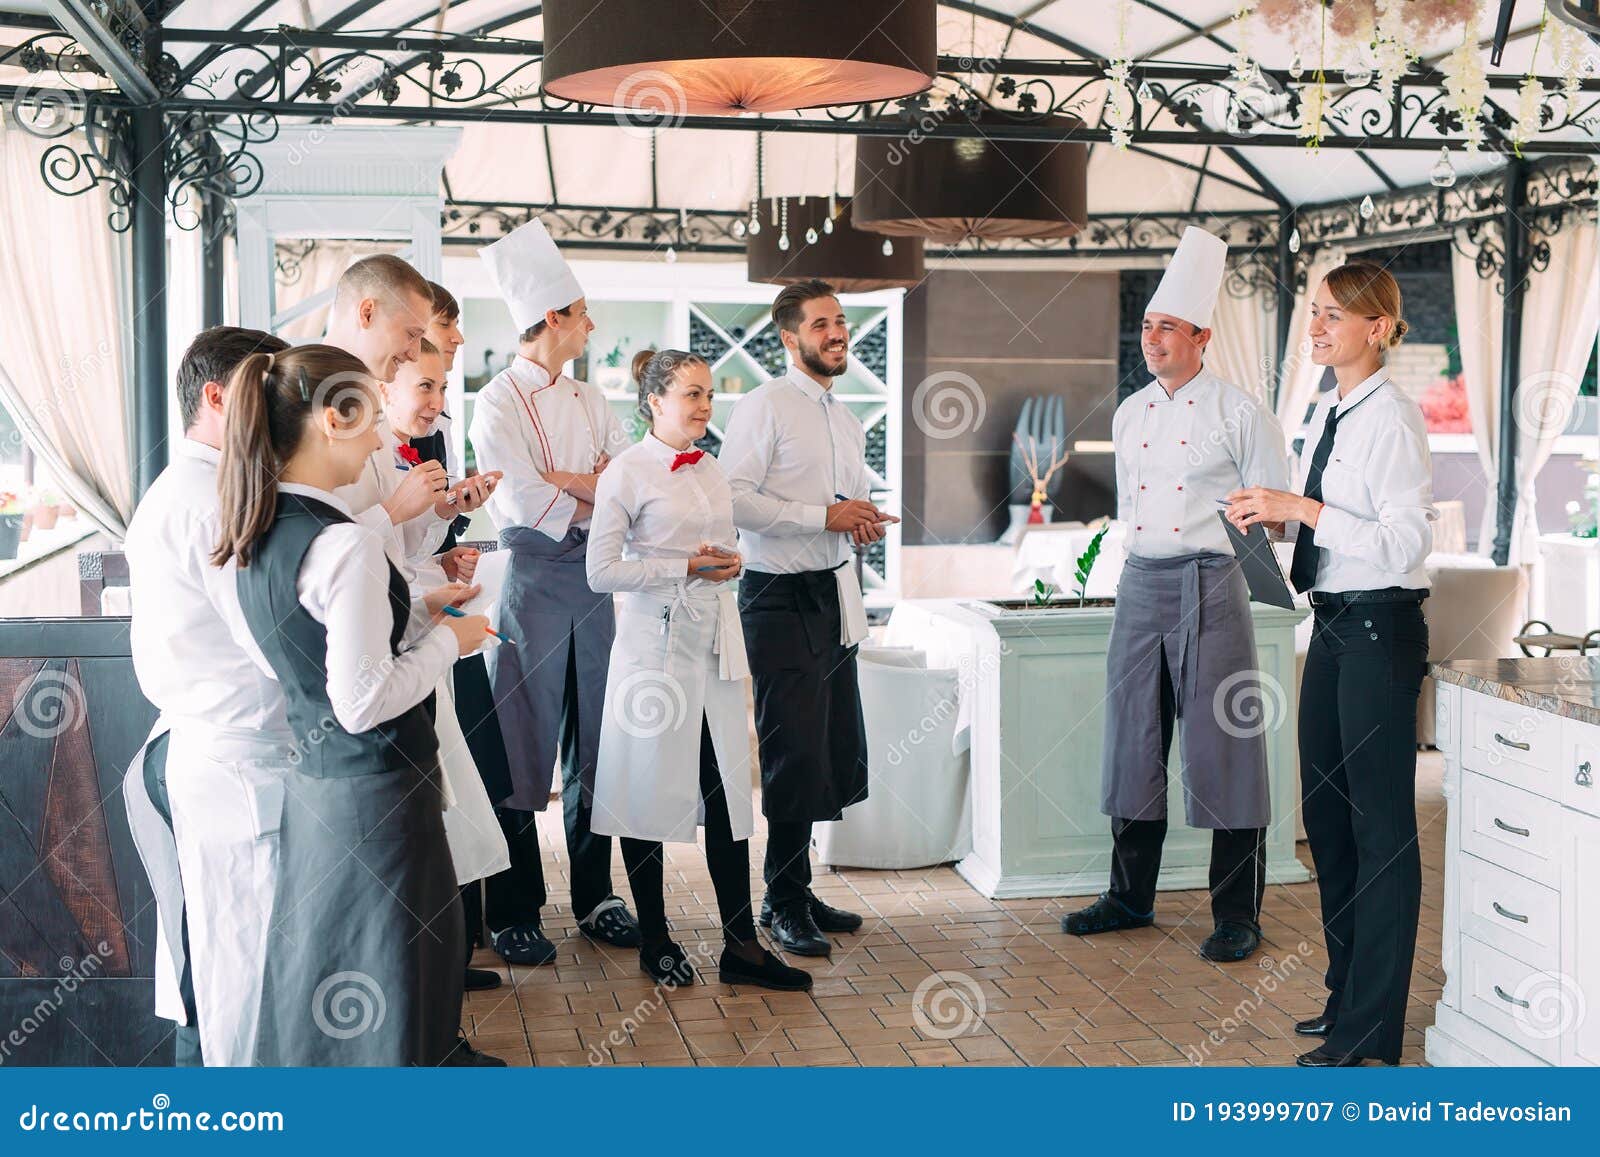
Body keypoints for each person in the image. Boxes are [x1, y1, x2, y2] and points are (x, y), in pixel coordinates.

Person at [214, 342, 494, 1066]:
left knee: (329, 994)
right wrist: (451, 643)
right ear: (331, 420)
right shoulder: (345, 544)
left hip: (316, 794)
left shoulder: (255, 530)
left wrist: (416, 612)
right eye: (370, 417)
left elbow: (296, 655)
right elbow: (363, 700)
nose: (379, 438)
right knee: (399, 992)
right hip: (381, 802)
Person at [1061, 226, 1290, 963]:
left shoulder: (1242, 412)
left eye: (1167, 327)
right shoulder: (1130, 413)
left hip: (1213, 582)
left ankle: (1236, 915)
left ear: (1202, 336)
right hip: (1141, 581)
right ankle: (1129, 896)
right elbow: (1132, 504)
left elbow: (1271, 510)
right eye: (1148, 325)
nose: (1152, 337)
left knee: (1227, 747)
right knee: (1132, 739)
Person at [1227, 262, 1433, 1067]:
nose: (1315, 328)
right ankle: (1348, 995)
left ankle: (1371, 1033)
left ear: (1377, 328)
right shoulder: (1332, 412)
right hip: (1336, 628)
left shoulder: (1395, 420)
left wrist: (1301, 508)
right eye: (1313, 313)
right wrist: (1269, 524)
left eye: (1333, 316)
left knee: (1380, 832)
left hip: (1382, 632)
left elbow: (1402, 544)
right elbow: (1339, 534)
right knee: (1331, 824)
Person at [587, 348, 813, 991]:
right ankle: (655, 938)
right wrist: (683, 567)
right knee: (644, 793)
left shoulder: (713, 470)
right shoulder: (625, 474)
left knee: (728, 798)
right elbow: (601, 572)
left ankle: (741, 945)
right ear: (654, 402)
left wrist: (727, 561)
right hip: (652, 649)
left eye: (709, 395)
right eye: (691, 395)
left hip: (714, 642)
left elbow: (722, 545)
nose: (705, 407)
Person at [468, 220, 640, 964]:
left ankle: (597, 894)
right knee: (522, 745)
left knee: (598, 740)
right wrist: (583, 486)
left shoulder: (591, 396)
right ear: (553, 320)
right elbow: (516, 499)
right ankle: (514, 908)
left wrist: (574, 484)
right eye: (583, 312)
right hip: (533, 581)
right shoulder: (495, 400)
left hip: (595, 581)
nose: (591, 324)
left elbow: (624, 483)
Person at [123, 325, 289, 1066]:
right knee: (235, 984)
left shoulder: (200, 485)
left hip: (201, 748)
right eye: (270, 390)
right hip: (227, 760)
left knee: (217, 968)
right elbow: (272, 642)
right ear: (218, 397)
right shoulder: (214, 498)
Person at [719, 279, 896, 957]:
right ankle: (781, 902)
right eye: (821, 323)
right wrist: (823, 517)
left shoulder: (845, 420)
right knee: (793, 749)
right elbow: (734, 498)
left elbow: (847, 499)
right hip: (775, 596)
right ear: (790, 338)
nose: (836, 332)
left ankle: (797, 884)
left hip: (832, 591)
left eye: (841, 321)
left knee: (828, 744)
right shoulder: (763, 406)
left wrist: (860, 520)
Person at [333, 339, 511, 996]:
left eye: (441, 388)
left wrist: (447, 526)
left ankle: (446, 957)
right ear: (384, 389)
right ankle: (429, 971)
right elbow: (356, 553)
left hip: (421, 623)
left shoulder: (419, 451)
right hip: (390, 643)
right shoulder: (368, 459)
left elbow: (410, 551)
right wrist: (419, 530)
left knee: (446, 801)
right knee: (427, 805)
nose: (437, 402)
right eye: (425, 387)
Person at [420, 280, 520, 988]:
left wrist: (452, 523)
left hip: (442, 612)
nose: (457, 346)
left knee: (473, 771)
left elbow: (420, 532)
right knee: (442, 785)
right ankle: (446, 955)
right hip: (421, 631)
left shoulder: (441, 420)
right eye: (448, 334)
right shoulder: (383, 435)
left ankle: (462, 944)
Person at [322, 253, 436, 385]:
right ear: (367, 313)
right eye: (412, 334)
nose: (415, 356)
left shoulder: (358, 395)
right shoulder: (298, 396)